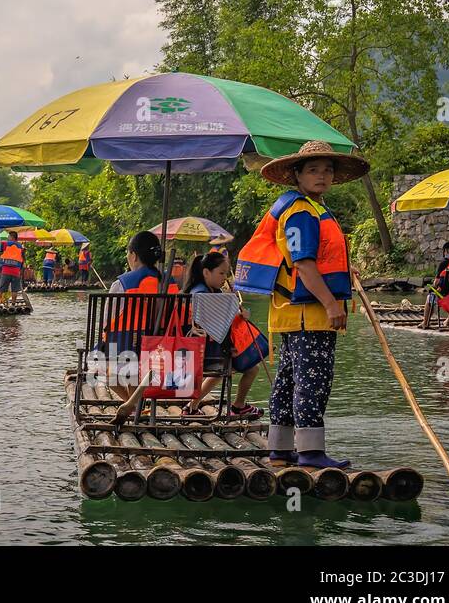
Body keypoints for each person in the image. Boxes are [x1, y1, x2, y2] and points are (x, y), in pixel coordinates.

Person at [235, 140, 364, 470]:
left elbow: (317, 259)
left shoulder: (308, 208)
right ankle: (310, 453)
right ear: (297, 175)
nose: (322, 176)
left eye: (327, 170)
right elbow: (303, 263)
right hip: (310, 314)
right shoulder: (303, 212)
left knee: (289, 379)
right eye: (312, 170)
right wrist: (332, 304)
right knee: (313, 380)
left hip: (293, 314)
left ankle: (279, 449)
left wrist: (345, 271)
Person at [182, 251, 262, 418]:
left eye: (226, 273)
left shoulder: (209, 292)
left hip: (206, 352)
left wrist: (235, 311)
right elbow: (217, 329)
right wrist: (236, 310)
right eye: (221, 273)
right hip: (204, 354)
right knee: (252, 367)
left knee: (235, 367)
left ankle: (192, 406)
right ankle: (239, 405)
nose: (225, 278)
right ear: (206, 272)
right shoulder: (202, 295)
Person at [103, 231, 179, 399]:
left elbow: (108, 321)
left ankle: (134, 404)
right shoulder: (170, 283)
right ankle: (136, 404)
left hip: (128, 348)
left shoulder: (123, 283)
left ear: (134, 256)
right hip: (164, 347)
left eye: (128, 254)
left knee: (104, 371)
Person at [0, 231, 25, 304]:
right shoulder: (20, 246)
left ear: (12, 237)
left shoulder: (5, 244)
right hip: (16, 271)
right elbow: (23, 259)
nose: (7, 238)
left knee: (0, 289)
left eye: (8, 237)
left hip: (6, 271)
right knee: (14, 290)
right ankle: (13, 304)